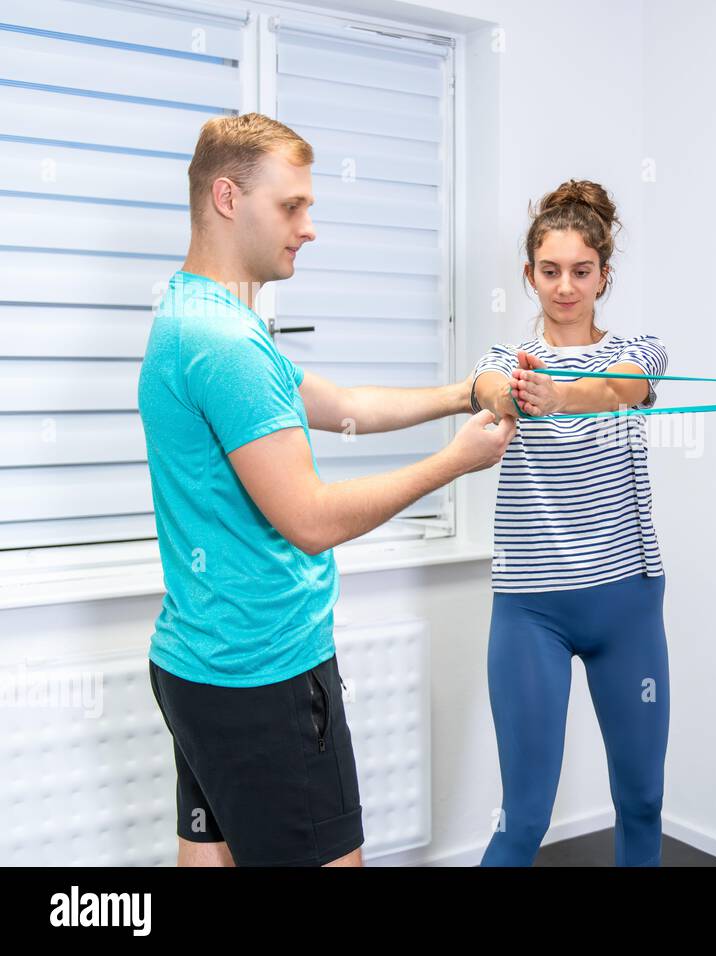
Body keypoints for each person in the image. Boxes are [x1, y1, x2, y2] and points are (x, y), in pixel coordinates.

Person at [138, 112, 514, 867]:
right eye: (292, 206)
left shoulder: (197, 314)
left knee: (209, 853)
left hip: (197, 663)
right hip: (265, 676)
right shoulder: (225, 345)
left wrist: (463, 393)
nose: (309, 227)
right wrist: (456, 464)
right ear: (226, 198)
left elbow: (344, 408)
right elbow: (309, 519)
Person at [470, 179, 671, 866]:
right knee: (523, 818)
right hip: (531, 613)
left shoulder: (640, 350)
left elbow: (618, 388)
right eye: (550, 271)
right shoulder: (504, 363)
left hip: (628, 605)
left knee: (643, 801)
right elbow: (492, 391)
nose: (565, 287)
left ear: (603, 276)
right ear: (530, 275)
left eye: (581, 271)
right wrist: (512, 393)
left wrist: (561, 395)